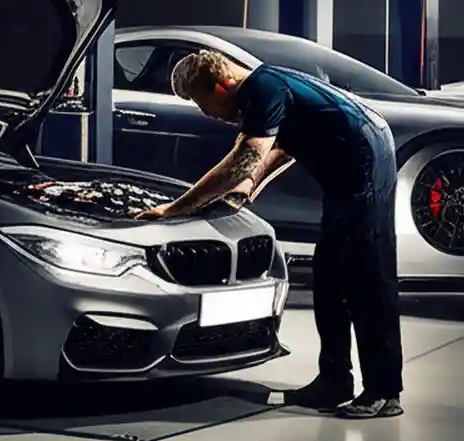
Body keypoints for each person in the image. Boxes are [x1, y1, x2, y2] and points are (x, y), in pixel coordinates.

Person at [136, 50, 404, 419]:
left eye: (203, 102)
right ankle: (334, 382)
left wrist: (176, 208)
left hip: (366, 160)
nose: (207, 113)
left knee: (366, 277)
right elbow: (283, 149)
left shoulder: (263, 89)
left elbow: (244, 157)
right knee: (328, 281)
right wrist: (247, 190)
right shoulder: (267, 87)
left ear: (221, 84)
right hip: (350, 168)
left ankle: (384, 391)